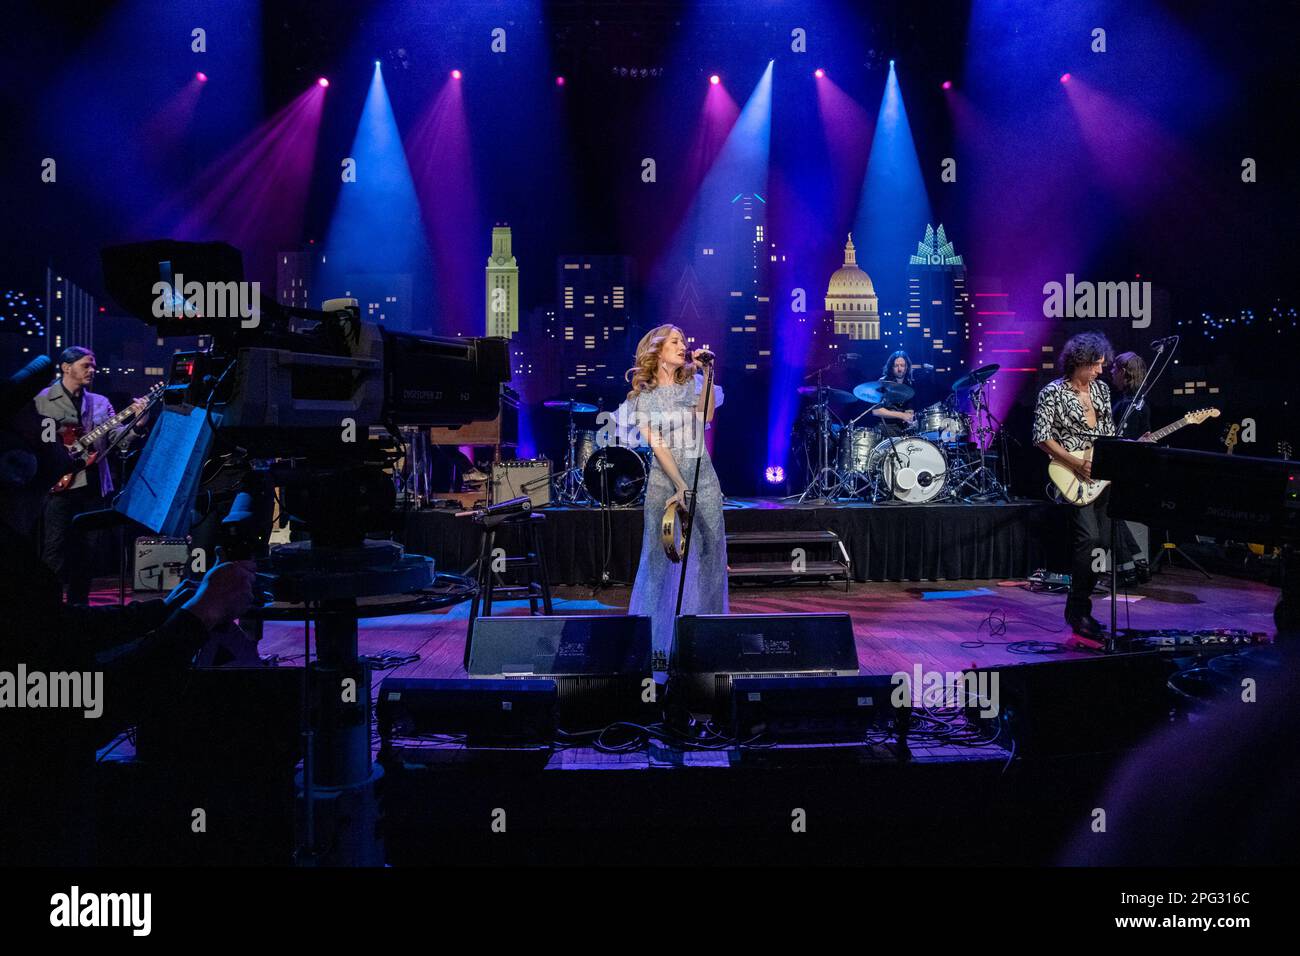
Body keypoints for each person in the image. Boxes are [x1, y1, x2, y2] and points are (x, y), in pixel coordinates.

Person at [1, 356, 254, 864]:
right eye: (40, 429)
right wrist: (198, 619)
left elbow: (57, 634)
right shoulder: (10, 571)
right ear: (16, 463)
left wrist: (162, 611)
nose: (55, 435)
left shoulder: (11, 558)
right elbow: (90, 705)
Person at [622, 325, 727, 670]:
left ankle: (706, 643)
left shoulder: (692, 383)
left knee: (709, 555)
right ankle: (655, 645)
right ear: (657, 349)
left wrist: (709, 371)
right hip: (664, 481)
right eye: (675, 341)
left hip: (703, 476)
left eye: (684, 340)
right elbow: (657, 445)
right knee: (659, 559)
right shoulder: (642, 397)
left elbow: (706, 416)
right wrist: (680, 486)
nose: (683, 346)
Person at [34, 346, 151, 604]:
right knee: (55, 549)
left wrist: (139, 423)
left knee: (86, 553)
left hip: (94, 487)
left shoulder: (100, 403)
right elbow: (39, 442)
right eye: (86, 365)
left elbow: (119, 441)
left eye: (94, 366)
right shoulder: (42, 400)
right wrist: (61, 454)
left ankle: (79, 607)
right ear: (67, 367)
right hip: (59, 488)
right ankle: (44, 607)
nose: (92, 370)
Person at [1032, 331, 1116, 644]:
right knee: (1089, 539)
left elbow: (1107, 433)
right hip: (1071, 473)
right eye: (1095, 364)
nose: (1100, 369)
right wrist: (1076, 463)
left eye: (1102, 364)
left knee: (1103, 543)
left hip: (1103, 476)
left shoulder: (1102, 391)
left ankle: (1084, 608)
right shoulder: (1053, 392)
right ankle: (1077, 609)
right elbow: (1042, 437)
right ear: (1079, 361)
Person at [1111, 351, 1152, 583]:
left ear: (1125, 373)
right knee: (1114, 518)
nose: (1111, 373)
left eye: (1115, 369)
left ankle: (1126, 568)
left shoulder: (1126, 406)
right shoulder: (1141, 403)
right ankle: (1138, 562)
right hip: (1131, 469)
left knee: (1109, 517)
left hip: (1121, 469)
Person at [871, 350, 917, 435]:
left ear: (907, 367)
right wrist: (901, 415)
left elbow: (909, 409)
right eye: (896, 366)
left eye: (902, 365)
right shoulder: (883, 383)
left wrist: (910, 417)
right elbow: (876, 411)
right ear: (891, 367)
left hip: (902, 428)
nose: (899, 369)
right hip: (885, 427)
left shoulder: (909, 384)